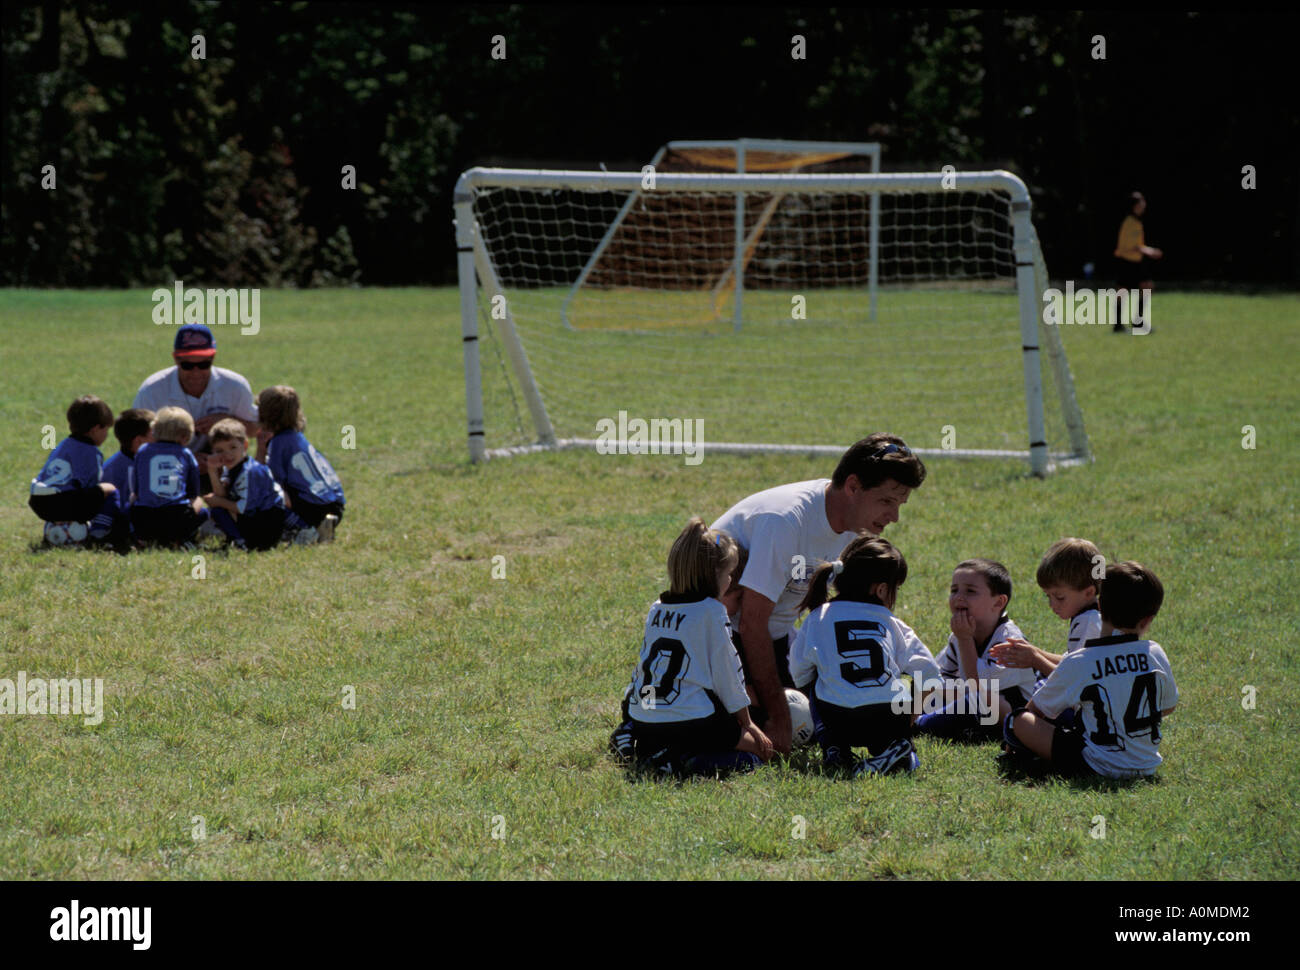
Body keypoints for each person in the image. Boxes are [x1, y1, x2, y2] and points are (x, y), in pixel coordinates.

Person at [710, 433, 927, 753]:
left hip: (775, 639)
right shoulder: (786, 520)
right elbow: (751, 624)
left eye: (899, 504)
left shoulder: (854, 526)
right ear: (853, 486)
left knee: (835, 709)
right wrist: (779, 717)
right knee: (743, 724)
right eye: (886, 501)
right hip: (717, 640)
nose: (894, 516)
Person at [623, 518, 774, 778]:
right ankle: (685, 761)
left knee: (671, 730)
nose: (729, 581)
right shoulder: (712, 612)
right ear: (713, 576)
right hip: (692, 720)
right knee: (761, 756)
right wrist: (747, 723)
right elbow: (728, 674)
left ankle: (648, 746)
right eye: (729, 574)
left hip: (644, 717)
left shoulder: (657, 607)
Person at [1004, 562, 1176, 779]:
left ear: (1100, 606)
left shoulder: (1080, 661)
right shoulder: (1155, 653)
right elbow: (1168, 707)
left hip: (1093, 764)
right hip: (1147, 764)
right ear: (1147, 619)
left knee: (1019, 720)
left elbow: (1035, 710)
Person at [788, 535, 938, 776]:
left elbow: (798, 671)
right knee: (904, 689)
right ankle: (898, 749)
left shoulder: (818, 616)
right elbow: (930, 674)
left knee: (816, 681)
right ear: (881, 589)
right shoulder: (891, 622)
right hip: (886, 719)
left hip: (838, 719)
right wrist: (910, 717)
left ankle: (834, 749)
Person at [914, 559, 1034, 742]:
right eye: (954, 590)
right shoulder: (959, 637)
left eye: (970, 591)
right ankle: (911, 716)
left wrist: (965, 639)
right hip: (972, 701)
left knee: (985, 701)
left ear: (998, 602)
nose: (958, 597)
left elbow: (976, 686)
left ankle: (921, 724)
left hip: (1011, 713)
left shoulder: (1009, 640)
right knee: (926, 689)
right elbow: (940, 677)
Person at [133, 324, 259, 472]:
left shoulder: (235, 385)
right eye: (187, 365)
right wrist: (186, 458)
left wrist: (227, 421)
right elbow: (137, 442)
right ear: (176, 359)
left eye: (204, 364)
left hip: (226, 468)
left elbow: (254, 430)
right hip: (168, 469)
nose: (196, 372)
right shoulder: (152, 390)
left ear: (213, 357)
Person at [987, 537, 1104, 677]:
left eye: (1060, 597)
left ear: (1088, 592)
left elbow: (1073, 680)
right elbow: (1069, 663)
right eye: (1048, 596)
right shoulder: (1091, 616)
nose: (1052, 604)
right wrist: (1034, 651)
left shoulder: (1088, 624)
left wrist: (1035, 659)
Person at [28, 395, 124, 546]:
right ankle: (99, 533)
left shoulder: (63, 445)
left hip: (38, 502)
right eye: (106, 429)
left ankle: (59, 530)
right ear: (95, 429)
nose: (106, 434)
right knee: (109, 489)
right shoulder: (91, 452)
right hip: (63, 502)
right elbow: (90, 486)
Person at [255, 385, 343, 543]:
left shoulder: (277, 443)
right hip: (336, 504)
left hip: (313, 507)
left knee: (270, 494)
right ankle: (323, 526)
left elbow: (272, 480)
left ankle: (304, 529)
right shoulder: (298, 437)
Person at [202, 419, 288, 551]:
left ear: (245, 445)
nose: (227, 454)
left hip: (268, 525)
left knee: (218, 509)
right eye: (219, 450)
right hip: (255, 517)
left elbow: (243, 508)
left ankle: (240, 542)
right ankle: (238, 540)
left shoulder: (249, 472)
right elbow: (222, 495)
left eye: (233, 447)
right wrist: (212, 471)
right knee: (218, 509)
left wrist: (218, 501)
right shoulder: (231, 468)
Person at [131, 406, 207, 547]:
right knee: (200, 505)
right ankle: (181, 539)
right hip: (176, 517)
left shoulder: (143, 450)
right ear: (185, 436)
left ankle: (142, 539)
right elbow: (193, 490)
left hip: (144, 518)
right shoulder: (185, 453)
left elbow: (136, 487)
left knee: (133, 498)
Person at [1112, 191, 1162, 333]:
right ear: (1135, 206)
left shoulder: (1135, 222)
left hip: (1134, 261)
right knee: (1125, 291)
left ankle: (1133, 323)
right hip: (1127, 261)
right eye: (1141, 202)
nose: (1144, 205)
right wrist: (1150, 251)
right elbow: (1132, 245)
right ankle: (1126, 324)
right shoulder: (1130, 223)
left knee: (1143, 287)